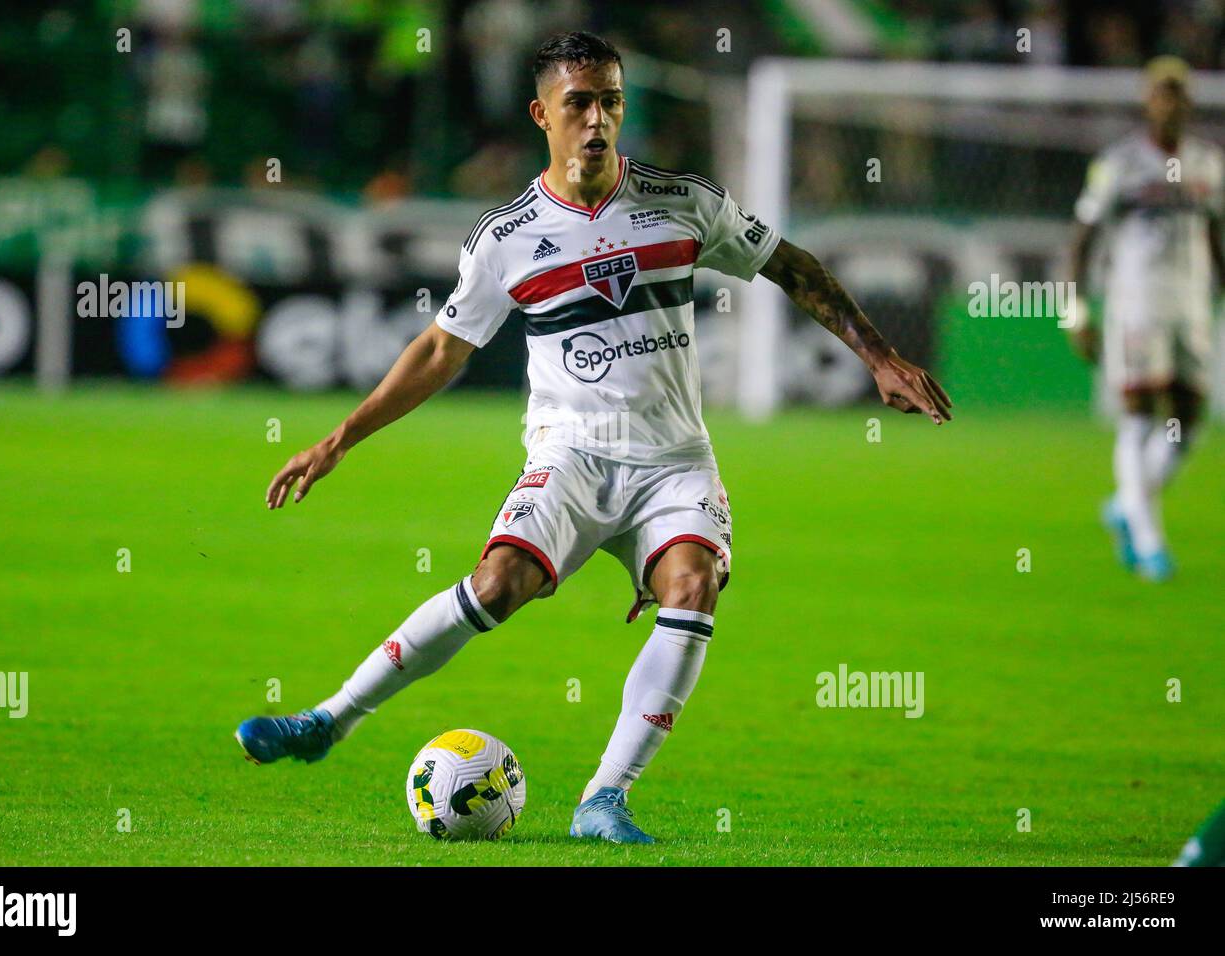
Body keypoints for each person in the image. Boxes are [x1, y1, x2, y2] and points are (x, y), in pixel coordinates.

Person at [236, 31, 951, 844]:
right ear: (543, 113)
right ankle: (329, 721)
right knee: (498, 584)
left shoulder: (683, 202)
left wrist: (880, 357)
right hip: (570, 456)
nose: (599, 118)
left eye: (611, 99)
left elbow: (790, 264)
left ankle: (604, 799)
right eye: (580, 102)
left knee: (692, 586)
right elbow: (440, 349)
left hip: (674, 460)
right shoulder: (506, 236)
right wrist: (337, 441)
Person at [1070, 56, 1224, 581]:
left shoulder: (1208, 163)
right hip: (1136, 303)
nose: (1171, 101)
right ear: (1146, 99)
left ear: (1189, 101)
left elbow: (1216, 238)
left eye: (1179, 92)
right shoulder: (1119, 163)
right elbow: (1082, 239)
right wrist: (1076, 310)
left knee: (1190, 421)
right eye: (1162, 91)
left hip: (1192, 305)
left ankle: (1128, 504)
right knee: (1138, 414)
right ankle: (1149, 539)